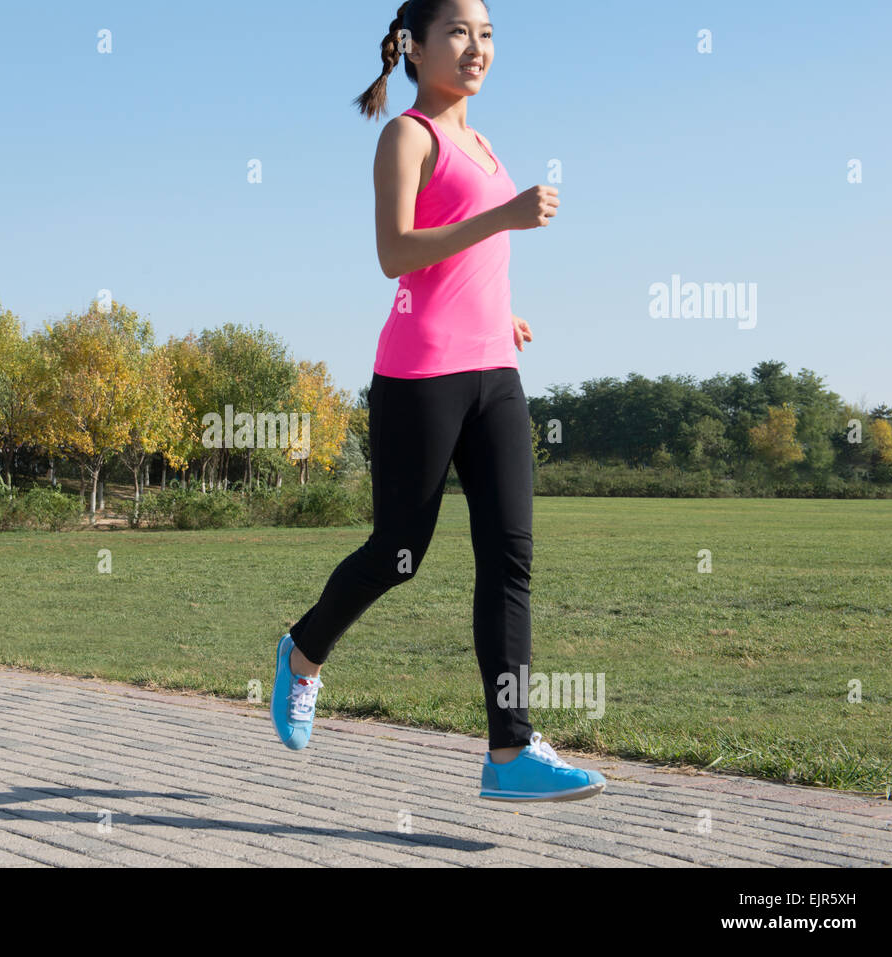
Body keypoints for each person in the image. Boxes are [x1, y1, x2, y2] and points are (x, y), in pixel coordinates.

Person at [270, 0, 605, 802]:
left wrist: (501, 312)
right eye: (458, 31)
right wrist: (507, 214)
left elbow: (469, 259)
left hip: (495, 372)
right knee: (401, 551)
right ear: (413, 48)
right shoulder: (408, 135)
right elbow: (396, 252)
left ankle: (509, 752)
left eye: (487, 34)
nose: (477, 47)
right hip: (420, 374)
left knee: (510, 555)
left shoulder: (485, 144)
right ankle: (304, 650)